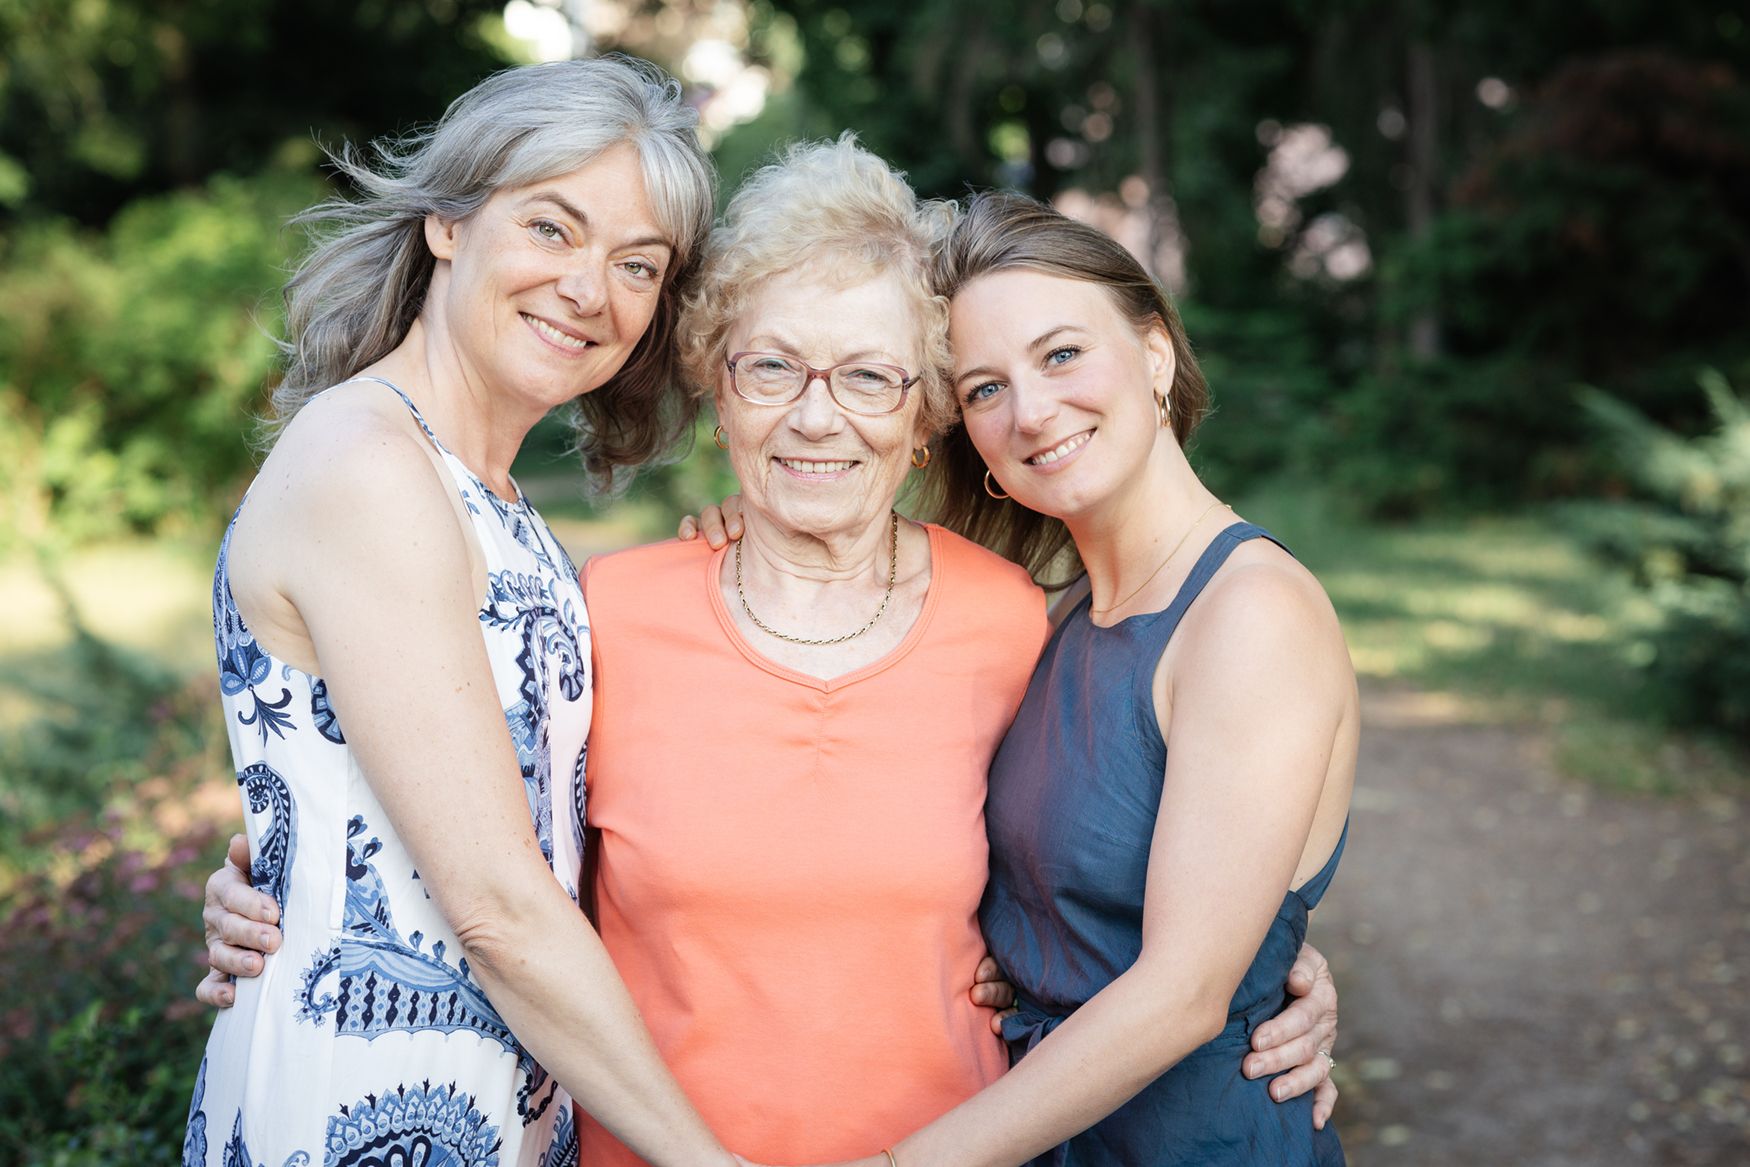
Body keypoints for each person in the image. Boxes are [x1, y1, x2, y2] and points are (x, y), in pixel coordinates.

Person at [199, 140, 1343, 1163]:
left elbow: (1117, 872)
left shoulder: (1013, 625)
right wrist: (275, 880)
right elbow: (487, 837)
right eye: (772, 368)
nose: (814, 416)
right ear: (717, 386)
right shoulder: (606, 614)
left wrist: (1271, 968)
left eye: (866, 377)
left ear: (922, 417)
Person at [182, 56, 745, 1167]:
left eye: (638, 264)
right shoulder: (370, 467)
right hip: (363, 1099)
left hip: (498, 1088)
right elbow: (493, 902)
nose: (592, 289)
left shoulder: (482, 490)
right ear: (448, 221)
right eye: (552, 228)